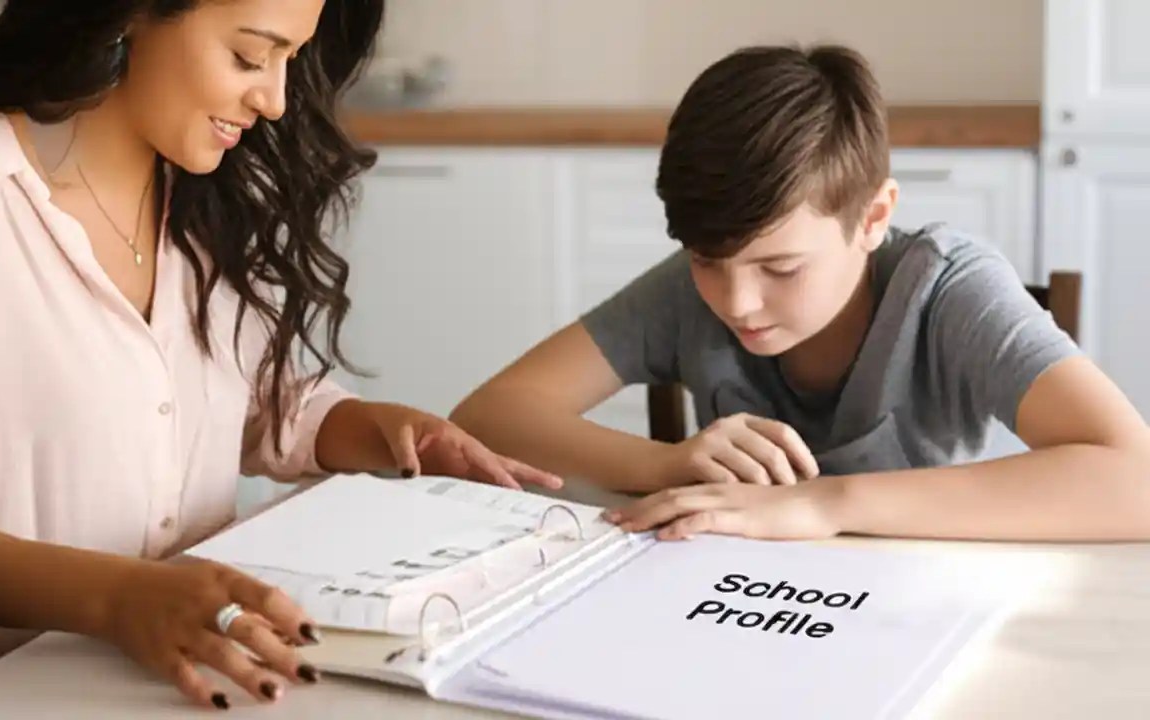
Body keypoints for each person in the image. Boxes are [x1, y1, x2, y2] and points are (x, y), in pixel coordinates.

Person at [0, 0, 560, 713]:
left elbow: (250, 397)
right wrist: (118, 597)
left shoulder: (205, 192)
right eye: (249, 57)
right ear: (131, 14)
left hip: (177, 674)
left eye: (290, 61)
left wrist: (383, 428)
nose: (275, 99)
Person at [451, 45, 1150, 544]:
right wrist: (663, 463)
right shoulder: (694, 289)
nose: (737, 301)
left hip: (919, 610)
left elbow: (1136, 480)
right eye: (705, 260)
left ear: (873, 218)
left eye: (780, 269)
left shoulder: (950, 290)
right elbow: (489, 415)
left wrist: (825, 505)